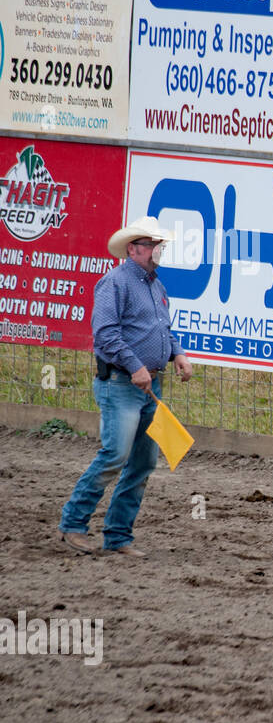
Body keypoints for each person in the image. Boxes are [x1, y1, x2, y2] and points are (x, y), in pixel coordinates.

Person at [58, 216, 193, 557]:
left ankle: (118, 535)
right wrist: (135, 366)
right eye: (151, 245)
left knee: (142, 462)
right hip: (122, 382)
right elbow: (105, 334)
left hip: (146, 385)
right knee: (116, 455)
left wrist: (177, 353)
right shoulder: (114, 283)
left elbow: (162, 329)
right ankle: (74, 523)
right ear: (134, 249)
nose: (157, 250)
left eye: (158, 245)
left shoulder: (155, 286)